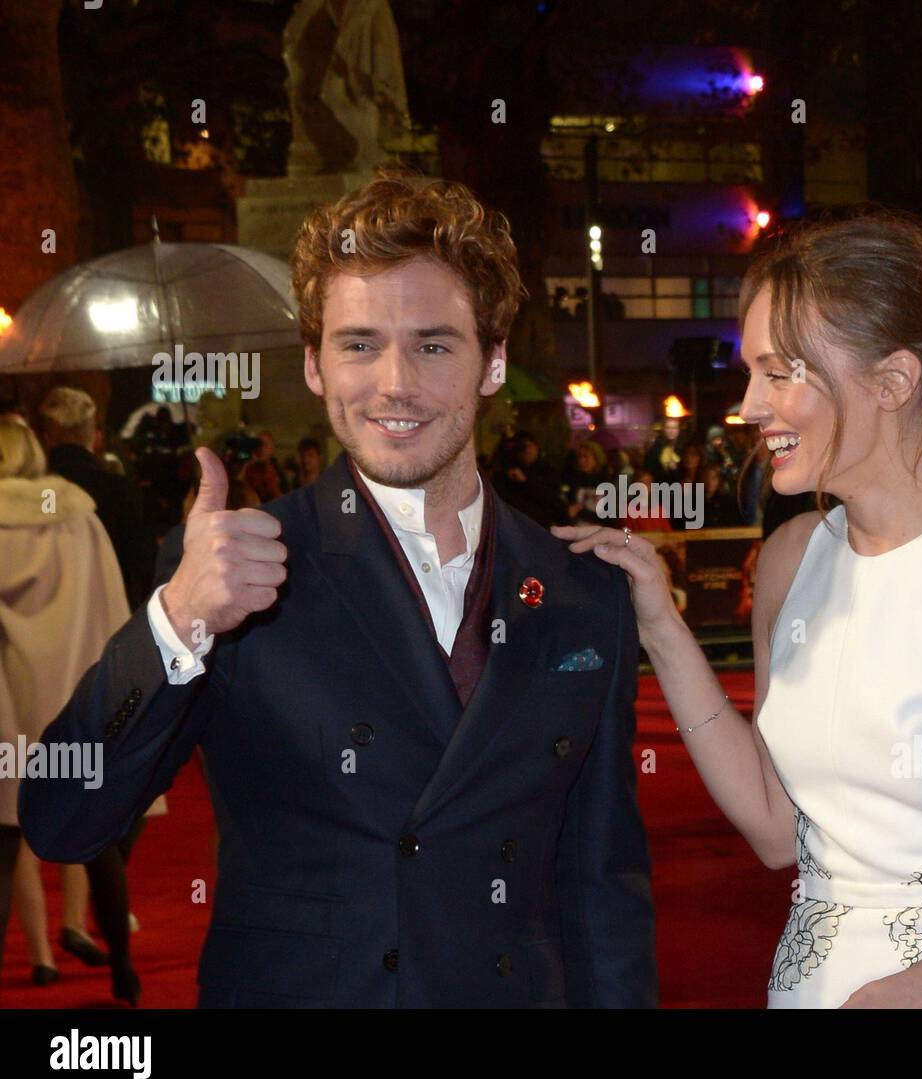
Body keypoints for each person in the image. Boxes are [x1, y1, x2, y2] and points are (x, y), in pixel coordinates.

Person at [22, 170, 656, 1008]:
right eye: (359, 344)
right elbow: (62, 816)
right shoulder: (234, 567)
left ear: (493, 362)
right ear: (316, 366)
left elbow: (601, 887)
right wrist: (177, 623)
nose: (394, 381)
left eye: (433, 344)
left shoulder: (581, 591)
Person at [556, 212, 922, 1007]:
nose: (751, 406)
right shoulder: (795, 558)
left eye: (782, 371)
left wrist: (919, 988)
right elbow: (770, 825)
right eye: (752, 371)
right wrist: (661, 623)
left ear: (893, 381)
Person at [0, 419, 141, 1004]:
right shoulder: (78, 517)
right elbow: (109, 607)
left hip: (8, 702)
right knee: (96, 839)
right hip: (73, 700)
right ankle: (123, 971)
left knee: (3, 849)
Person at [38, 387, 155, 609]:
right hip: (110, 610)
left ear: (47, 439)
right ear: (97, 438)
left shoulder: (41, 493)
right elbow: (141, 563)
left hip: (48, 615)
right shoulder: (120, 490)